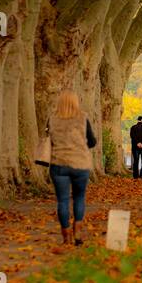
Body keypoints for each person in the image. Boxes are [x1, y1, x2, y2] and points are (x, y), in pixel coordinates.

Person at [48, 89, 96, 246]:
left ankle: (66, 236)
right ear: (76, 101)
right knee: (79, 198)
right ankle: (78, 231)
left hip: (59, 163)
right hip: (80, 164)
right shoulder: (83, 118)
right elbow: (92, 141)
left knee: (62, 201)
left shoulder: (52, 119)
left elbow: (48, 140)